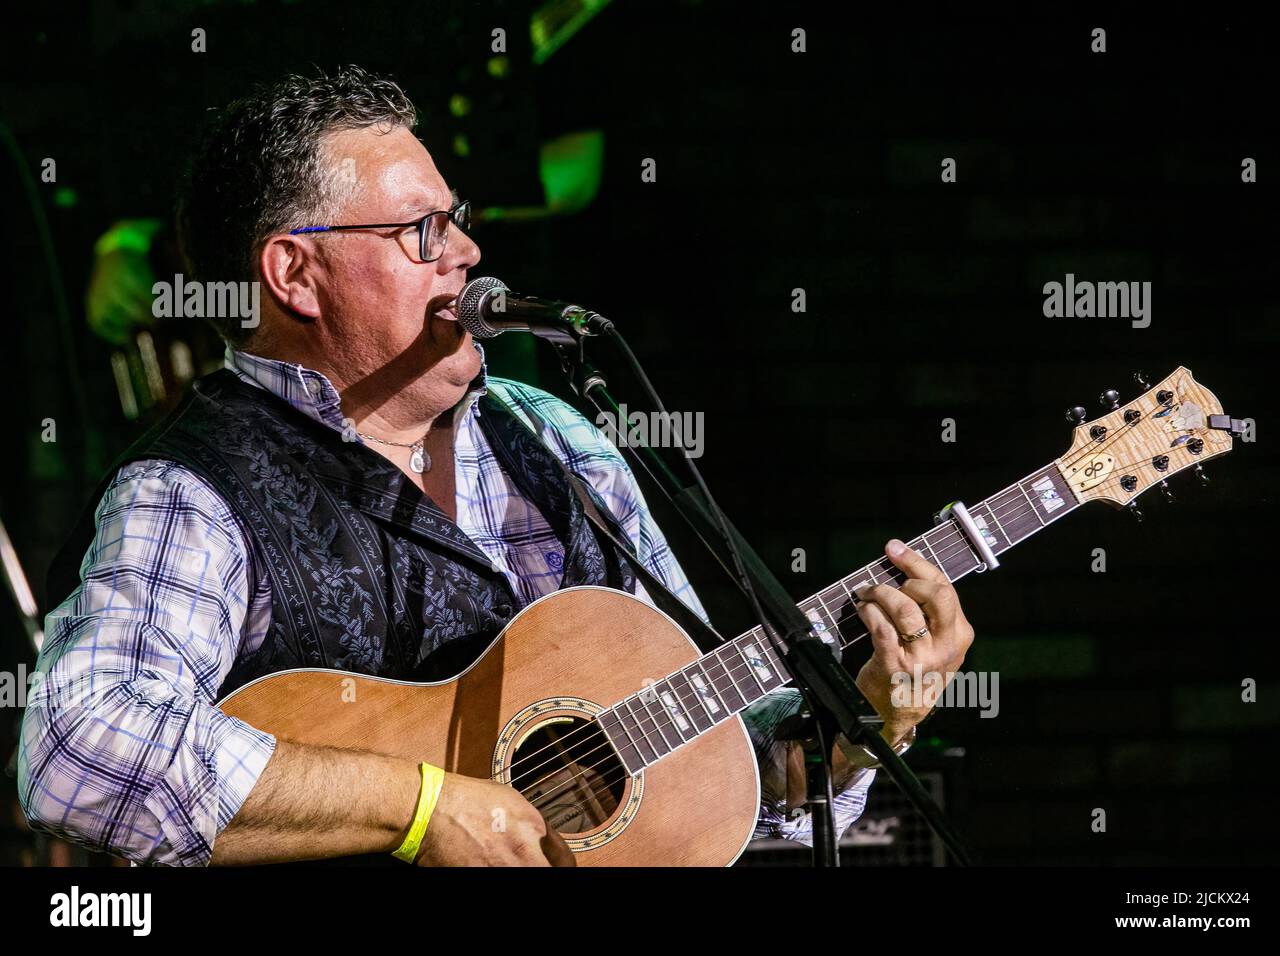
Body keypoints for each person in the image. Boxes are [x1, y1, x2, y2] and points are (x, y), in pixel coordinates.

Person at [19, 66, 974, 867]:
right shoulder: (194, 488)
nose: (469, 254)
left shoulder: (556, 441)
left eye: (460, 222)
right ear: (292, 274)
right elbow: (77, 748)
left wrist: (860, 738)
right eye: (421, 231)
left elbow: (723, 768)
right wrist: (425, 807)